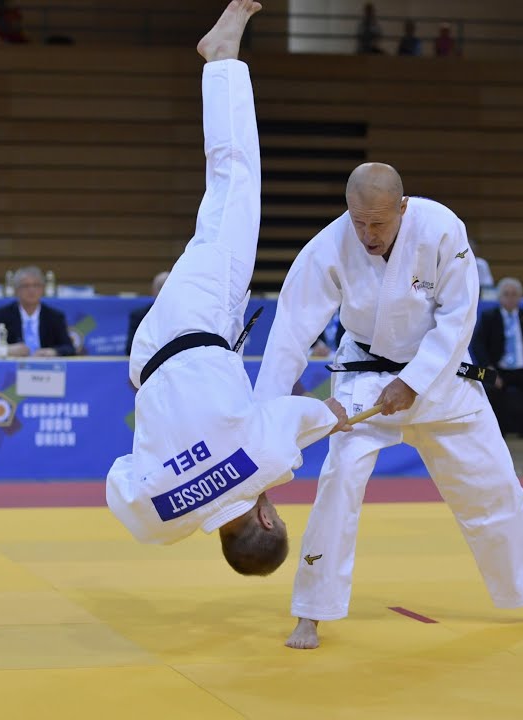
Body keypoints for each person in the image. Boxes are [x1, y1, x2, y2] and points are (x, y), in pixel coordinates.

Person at [253, 162, 523, 650]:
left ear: (402, 207)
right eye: (358, 221)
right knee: (338, 483)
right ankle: (311, 611)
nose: (367, 234)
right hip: (364, 375)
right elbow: (289, 336)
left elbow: (459, 316)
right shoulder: (328, 247)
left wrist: (414, 381)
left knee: (494, 485)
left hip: (440, 373)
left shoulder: (443, 230)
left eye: (379, 223)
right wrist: (265, 428)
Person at [106, 0, 353, 576]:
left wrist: (353, 410)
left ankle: (221, 62)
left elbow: (313, 414)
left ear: (266, 520)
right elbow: (120, 475)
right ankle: (220, 63)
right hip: (149, 362)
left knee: (235, 183)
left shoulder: (267, 461)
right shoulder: (157, 525)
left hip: (198, 322)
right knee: (228, 203)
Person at [471, 278, 523, 439]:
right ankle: (498, 430)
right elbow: (477, 344)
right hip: (498, 369)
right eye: (506, 294)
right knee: (488, 388)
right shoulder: (489, 317)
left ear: (520, 297)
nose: (510, 298)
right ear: (499, 297)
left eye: (514, 295)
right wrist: (488, 368)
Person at [0, 266, 76, 357]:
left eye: (36, 285)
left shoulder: (54, 316)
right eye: (25, 286)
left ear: (43, 289)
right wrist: (7, 350)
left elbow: (70, 349)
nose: (31, 290)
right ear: (16, 290)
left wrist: (52, 352)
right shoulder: (2, 315)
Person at [125, 271, 171, 356]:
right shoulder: (139, 316)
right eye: (160, 288)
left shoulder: (182, 316)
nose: (163, 293)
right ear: (153, 291)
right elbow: (130, 349)